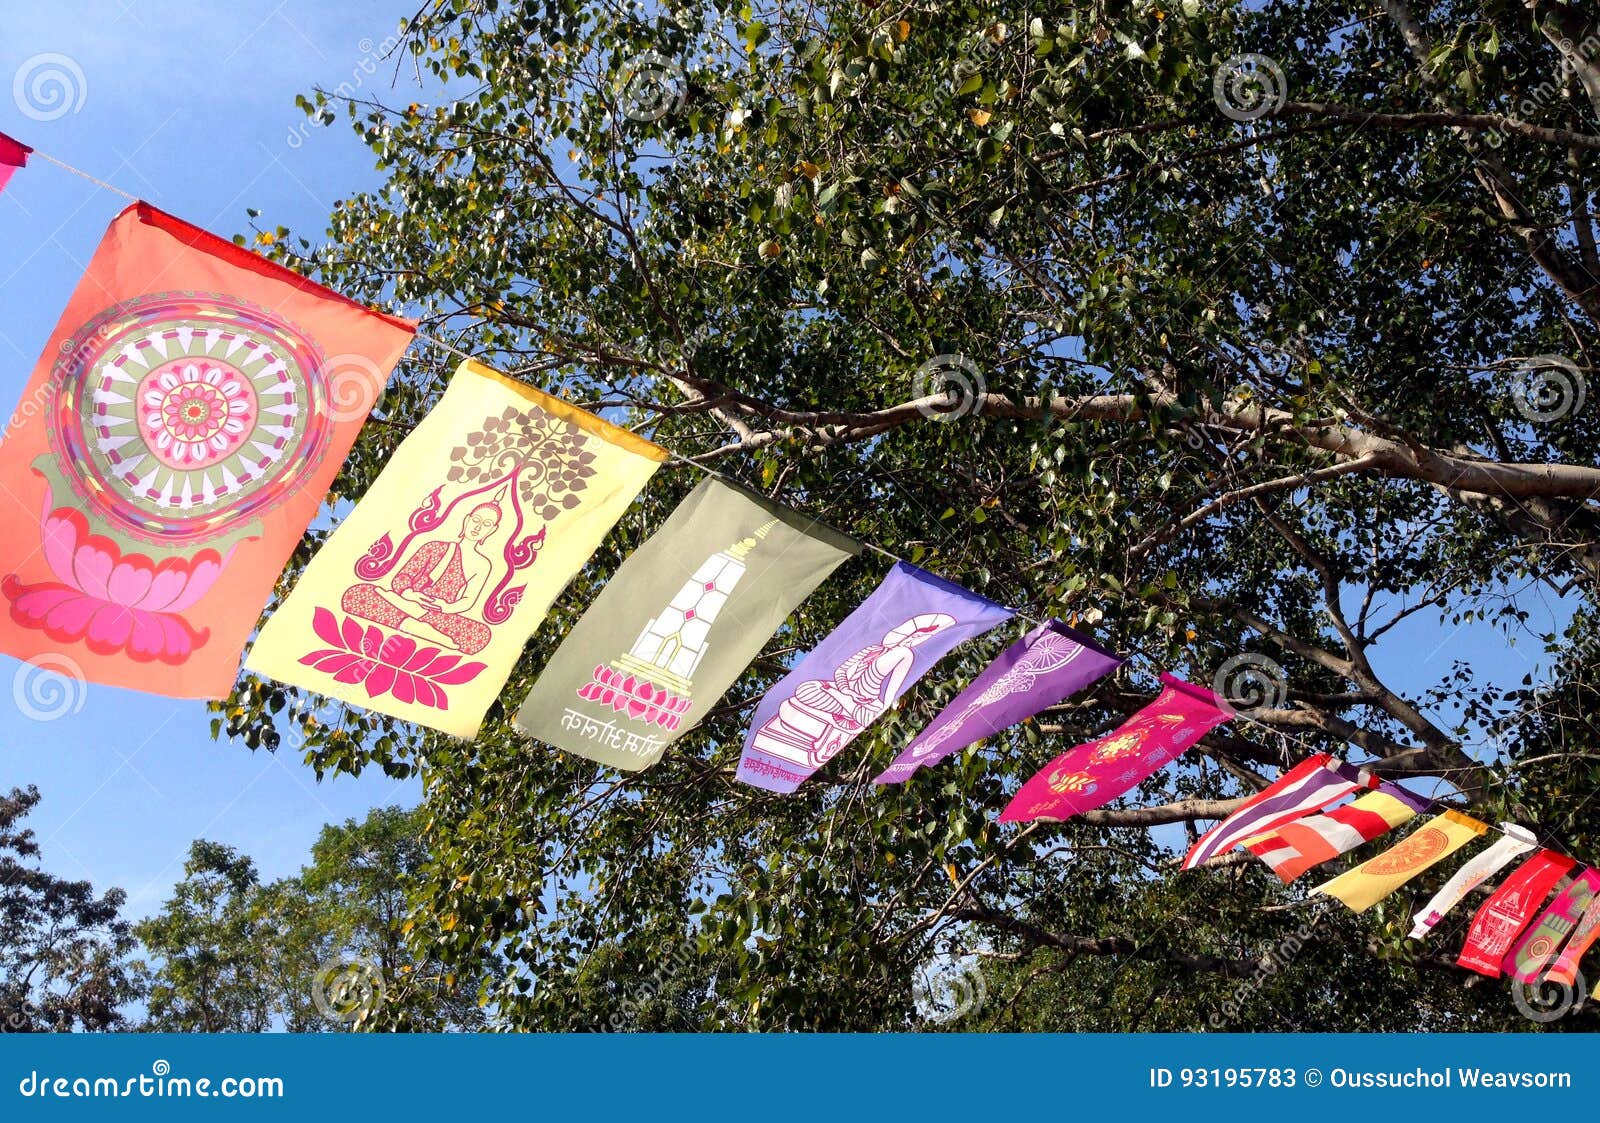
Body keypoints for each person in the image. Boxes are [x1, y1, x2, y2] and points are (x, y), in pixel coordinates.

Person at [341, 503, 501, 654]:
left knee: (480, 635)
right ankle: (423, 629)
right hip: (409, 601)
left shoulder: (482, 565)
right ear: (467, 520)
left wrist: (444, 607)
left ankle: (413, 623)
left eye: (486, 524)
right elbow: (402, 577)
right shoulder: (434, 546)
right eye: (476, 520)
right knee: (358, 594)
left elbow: (467, 601)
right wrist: (409, 594)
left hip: (438, 614)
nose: (478, 527)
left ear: (492, 530)